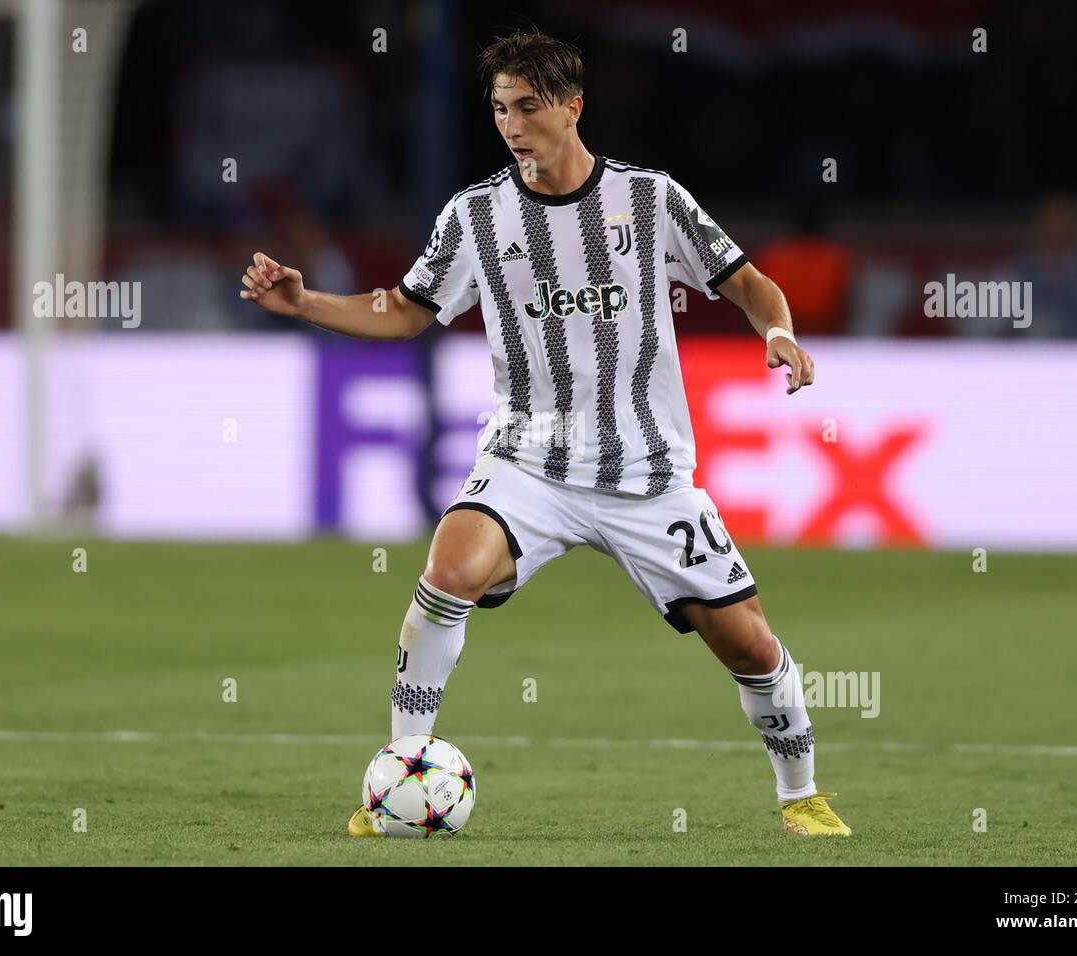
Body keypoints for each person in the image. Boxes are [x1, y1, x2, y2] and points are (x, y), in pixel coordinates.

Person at [239, 31, 848, 838]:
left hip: (649, 476)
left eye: (528, 106)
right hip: (528, 461)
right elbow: (407, 310)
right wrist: (307, 302)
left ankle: (801, 796)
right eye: (499, 109)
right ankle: (401, 773)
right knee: (451, 568)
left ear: (572, 106)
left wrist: (777, 331)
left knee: (751, 648)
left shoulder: (650, 200)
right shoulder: (477, 215)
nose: (513, 124)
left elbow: (748, 283)